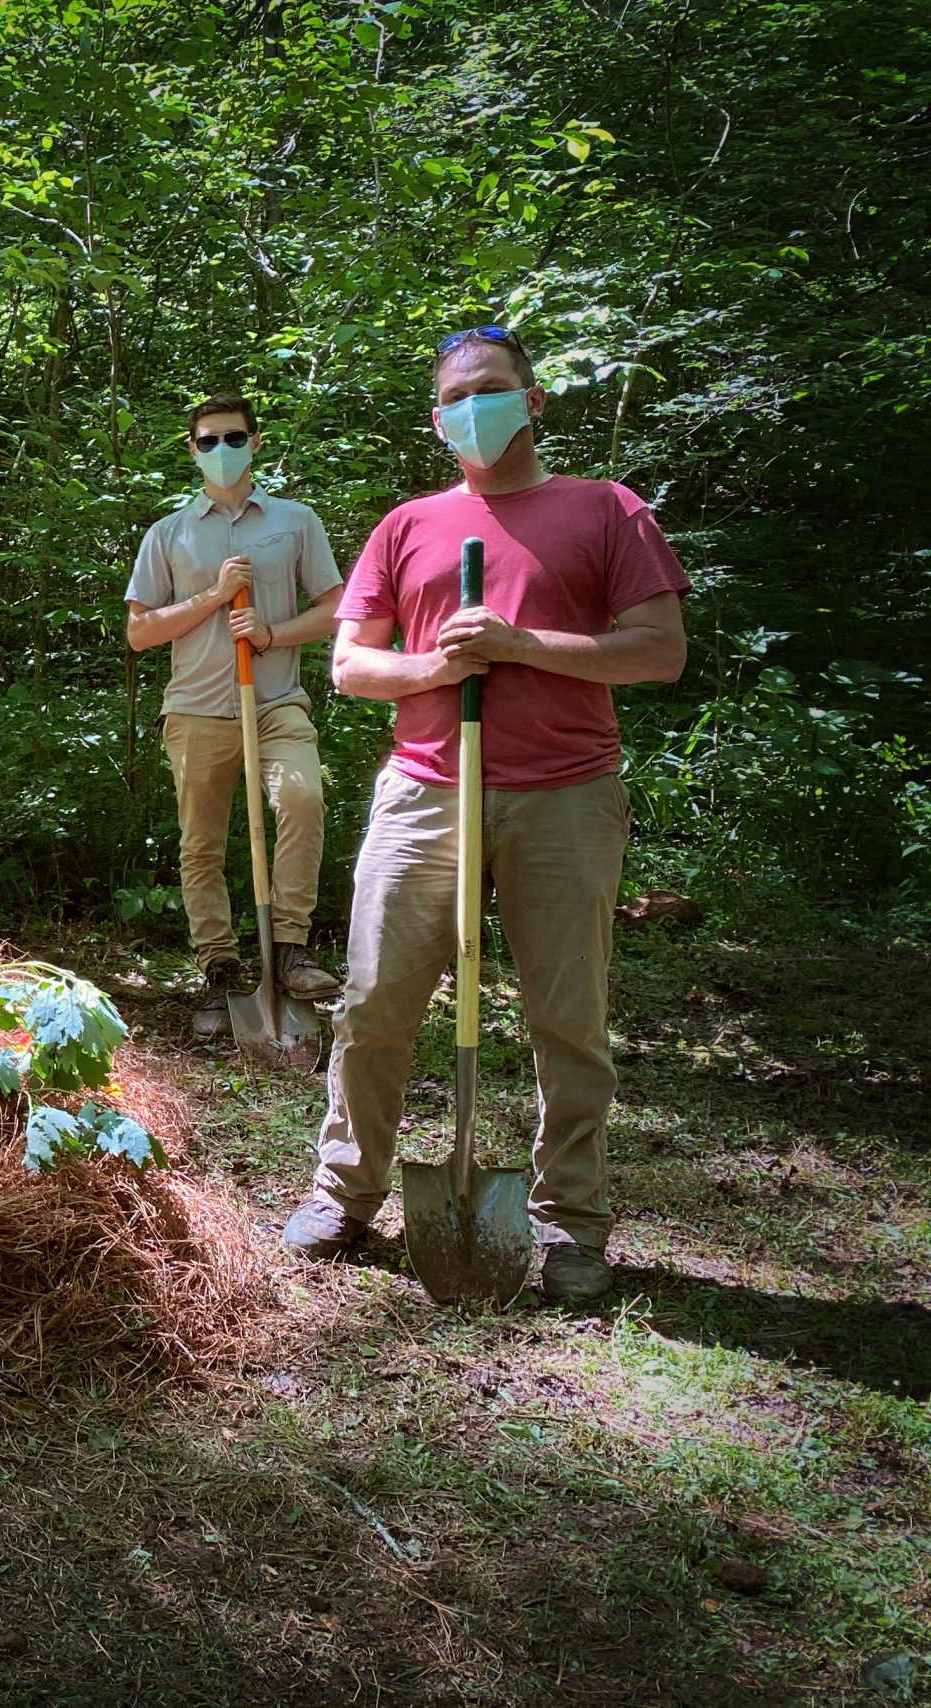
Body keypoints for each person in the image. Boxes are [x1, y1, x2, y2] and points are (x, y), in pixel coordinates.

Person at [279, 326, 689, 1305]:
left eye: (492, 389)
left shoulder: (605, 511)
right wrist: (433, 668)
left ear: (533, 401)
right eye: (455, 397)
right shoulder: (406, 524)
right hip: (422, 790)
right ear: (435, 420)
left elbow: (656, 650)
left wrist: (519, 643)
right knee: (373, 1004)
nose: (474, 408)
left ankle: (568, 1221)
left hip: (564, 797)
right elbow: (348, 664)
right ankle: (345, 1191)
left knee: (566, 1017)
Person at [126, 393, 348, 1038]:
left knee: (302, 801)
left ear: (255, 441)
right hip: (197, 708)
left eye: (231, 438)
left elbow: (336, 607)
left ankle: (287, 948)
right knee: (203, 844)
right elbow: (140, 631)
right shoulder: (168, 533)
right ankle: (220, 970)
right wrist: (215, 597)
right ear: (191, 449)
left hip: (276, 702)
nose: (219, 451)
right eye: (206, 441)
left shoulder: (295, 520)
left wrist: (274, 634)